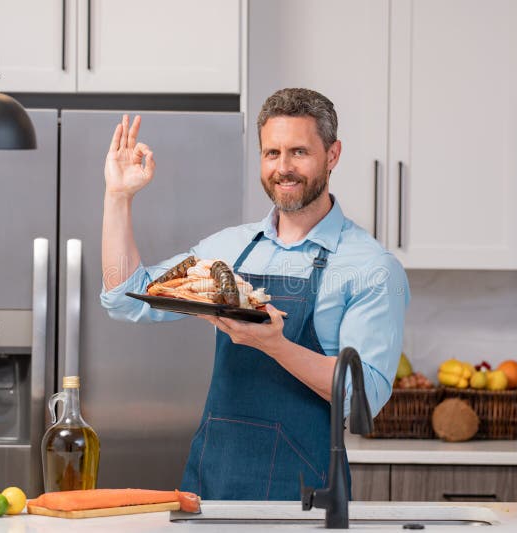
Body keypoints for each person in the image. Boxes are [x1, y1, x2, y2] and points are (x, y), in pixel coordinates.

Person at [100, 88, 409, 500]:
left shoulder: (370, 267)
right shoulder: (227, 250)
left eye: (299, 152)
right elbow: (126, 295)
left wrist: (275, 346)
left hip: (303, 502)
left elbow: (363, 395)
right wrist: (118, 198)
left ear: (332, 156)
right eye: (272, 153)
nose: (283, 168)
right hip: (210, 490)